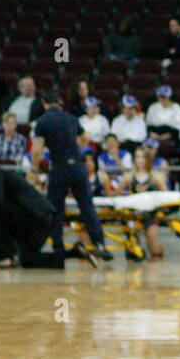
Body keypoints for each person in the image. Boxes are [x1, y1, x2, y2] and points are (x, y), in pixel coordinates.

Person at [30, 91, 110, 266]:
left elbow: (37, 149)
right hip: (78, 166)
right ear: (58, 103)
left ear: (44, 103)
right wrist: (76, 149)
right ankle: (100, 243)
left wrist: (36, 167)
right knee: (87, 207)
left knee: (56, 211)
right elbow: (87, 137)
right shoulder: (71, 118)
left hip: (59, 167)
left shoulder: (42, 121)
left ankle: (58, 250)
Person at [145, 85, 180, 158]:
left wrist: (168, 135)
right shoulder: (153, 107)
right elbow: (148, 124)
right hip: (155, 133)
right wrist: (152, 133)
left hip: (171, 134)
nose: (162, 99)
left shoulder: (176, 107)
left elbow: (179, 126)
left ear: (168, 96)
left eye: (164, 97)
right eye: (160, 96)